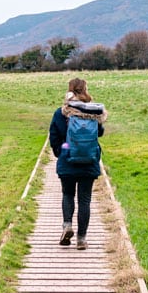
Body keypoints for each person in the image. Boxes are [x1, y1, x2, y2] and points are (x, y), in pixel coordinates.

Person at [48, 77, 107, 250]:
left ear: (70, 90)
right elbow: (100, 133)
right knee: (85, 200)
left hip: (67, 160)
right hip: (88, 161)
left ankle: (67, 225)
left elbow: (54, 136)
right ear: (85, 89)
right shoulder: (93, 111)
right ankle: (81, 239)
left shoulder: (62, 112)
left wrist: (61, 151)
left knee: (67, 194)